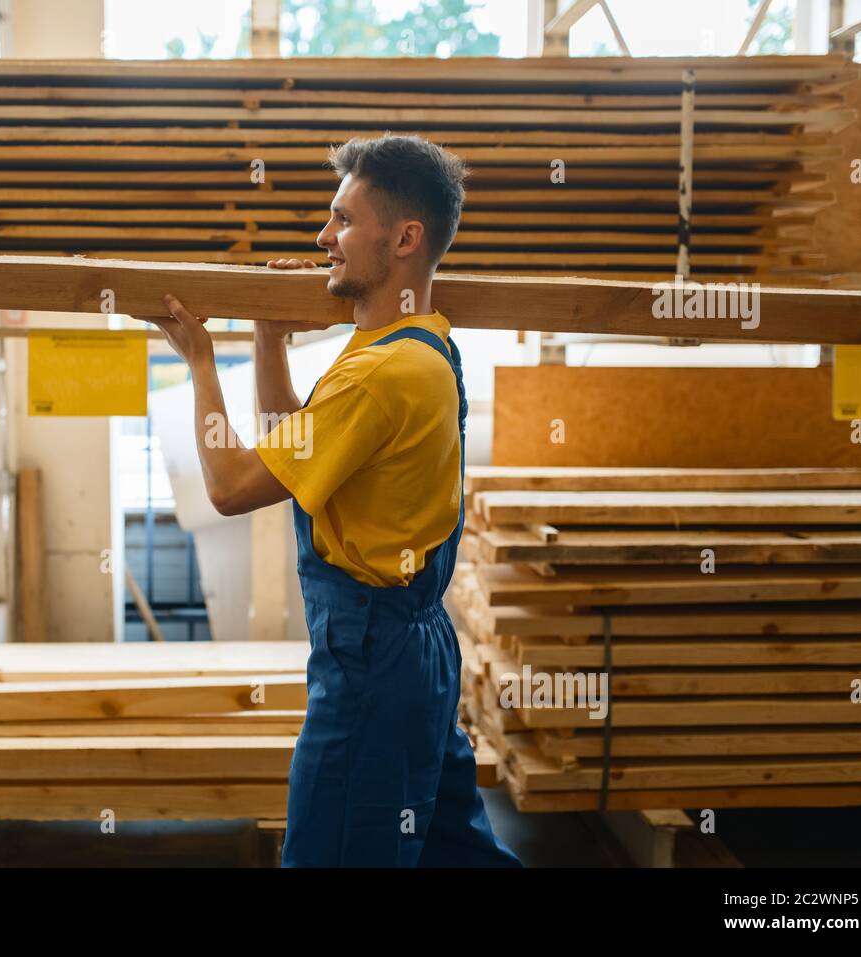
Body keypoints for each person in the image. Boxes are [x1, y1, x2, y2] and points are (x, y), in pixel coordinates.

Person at [145, 134, 521, 868]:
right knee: (453, 851)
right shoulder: (420, 345)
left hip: (373, 662)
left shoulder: (381, 374)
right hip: (417, 647)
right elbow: (300, 449)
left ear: (405, 238)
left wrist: (197, 360)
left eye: (344, 219)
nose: (324, 237)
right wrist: (266, 339)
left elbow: (230, 486)